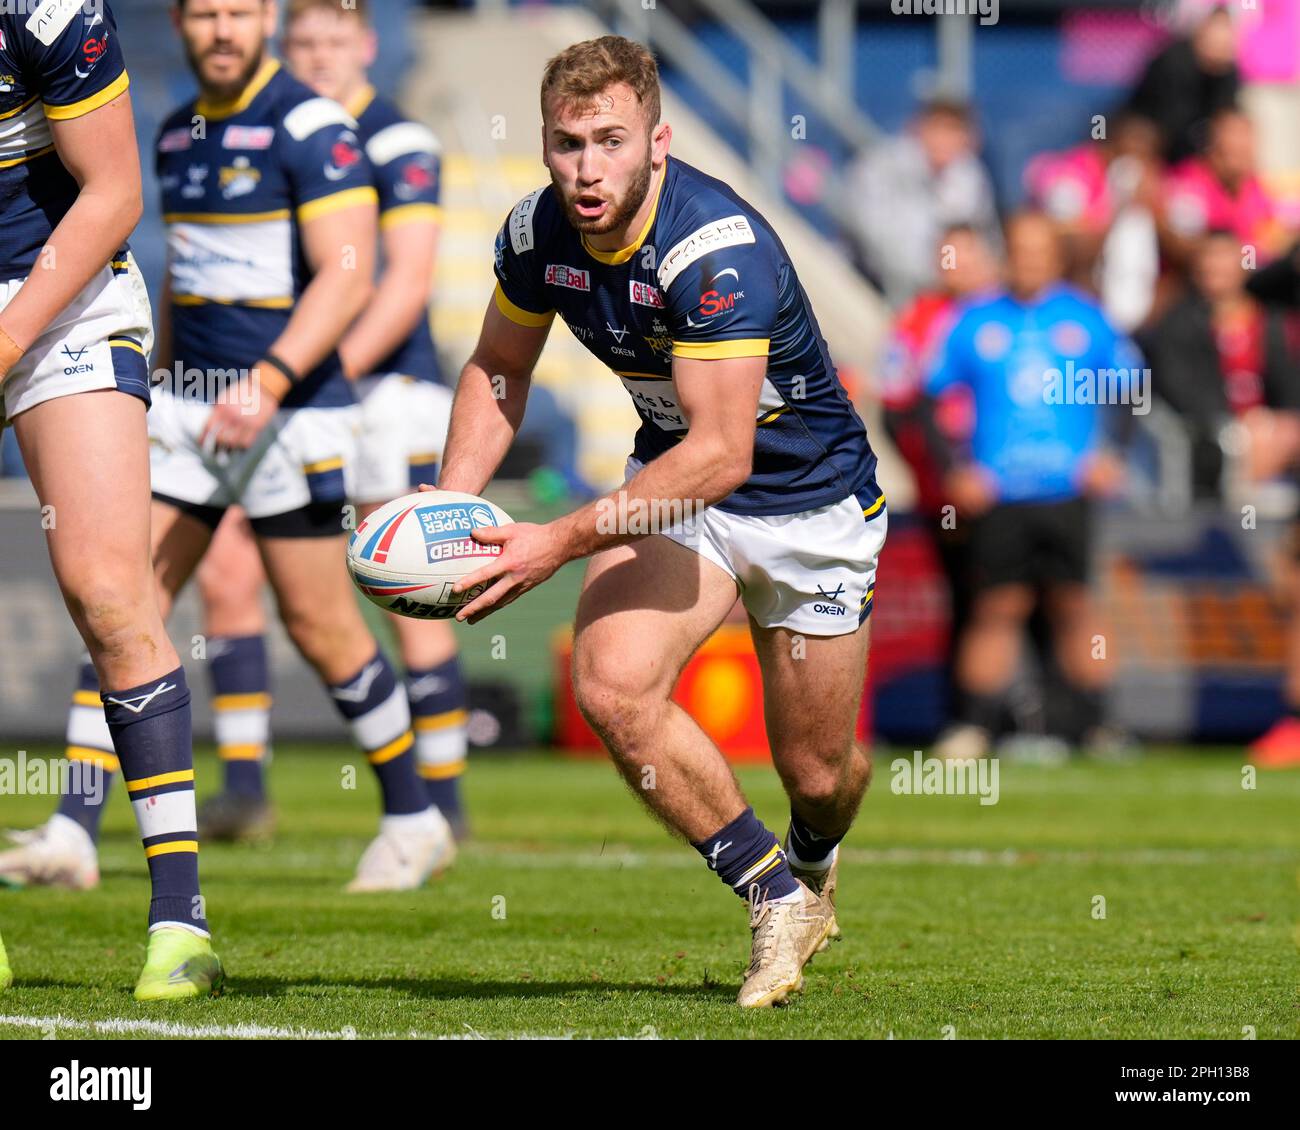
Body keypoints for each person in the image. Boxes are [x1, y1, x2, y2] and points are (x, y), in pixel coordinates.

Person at [412, 35, 886, 1007]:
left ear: (658, 143)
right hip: (674, 492)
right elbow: (500, 364)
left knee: (817, 768)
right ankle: (773, 894)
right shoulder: (534, 233)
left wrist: (554, 538)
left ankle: (812, 853)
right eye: (567, 142)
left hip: (806, 503)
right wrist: (450, 498)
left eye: (610, 141)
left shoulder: (715, 250)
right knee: (613, 685)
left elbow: (723, 454)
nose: (587, 169)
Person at [0, 0, 454, 895]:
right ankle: (74, 828)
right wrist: (153, 380)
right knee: (122, 598)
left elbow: (348, 270)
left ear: (266, 22)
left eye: (238, 12)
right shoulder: (173, 131)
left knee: (322, 626)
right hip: (189, 413)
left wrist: (273, 380)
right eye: (203, 13)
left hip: (292, 416)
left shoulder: (313, 125)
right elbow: (181, 279)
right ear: (178, 23)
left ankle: (415, 813)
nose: (219, 29)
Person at [186, 0, 470, 843]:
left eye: (332, 40)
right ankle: (244, 790)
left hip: (383, 390)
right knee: (228, 567)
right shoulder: (268, 130)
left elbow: (403, 284)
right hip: (283, 394)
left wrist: (309, 376)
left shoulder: (398, 142)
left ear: (367, 45)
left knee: (408, 588)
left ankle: (441, 808)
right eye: (302, 40)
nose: (316, 54)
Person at [0, 0, 221, 998]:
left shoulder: (46, 7)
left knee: (108, 590)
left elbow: (116, 190)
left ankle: (180, 921)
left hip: (62, 301)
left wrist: (6, 339)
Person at [925, 211, 1133, 761]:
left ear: (1056, 256)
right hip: (1000, 494)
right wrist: (956, 467)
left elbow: (1131, 386)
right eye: (1021, 249)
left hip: (1069, 490)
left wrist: (1111, 453)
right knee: (997, 608)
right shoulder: (975, 320)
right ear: (1007, 253)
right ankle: (971, 725)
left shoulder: (1085, 319)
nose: (1030, 260)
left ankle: (1098, 724)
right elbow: (925, 396)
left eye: (1040, 250)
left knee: (1076, 606)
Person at [845, 98, 1001, 305]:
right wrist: (942, 276)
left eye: (954, 131)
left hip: (944, 293)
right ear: (917, 129)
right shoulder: (879, 167)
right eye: (938, 129)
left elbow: (985, 239)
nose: (945, 140)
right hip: (869, 285)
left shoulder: (971, 175)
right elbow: (877, 245)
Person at [1160, 108, 1285, 272]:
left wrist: (1247, 265)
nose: (1241, 159)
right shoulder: (1188, 184)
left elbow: (1258, 248)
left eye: (1245, 151)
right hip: (1191, 281)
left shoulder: (1255, 188)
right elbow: (1181, 247)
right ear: (1213, 148)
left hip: (1240, 280)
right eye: (1232, 152)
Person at [1126, 4, 1239, 165]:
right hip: (1158, 151)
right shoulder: (1173, 61)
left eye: (1228, 28)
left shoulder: (1228, 71)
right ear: (1200, 28)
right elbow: (1171, 128)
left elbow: (1226, 118)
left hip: (1194, 156)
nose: (1225, 36)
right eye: (1218, 27)